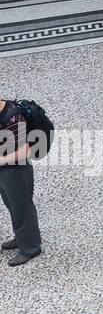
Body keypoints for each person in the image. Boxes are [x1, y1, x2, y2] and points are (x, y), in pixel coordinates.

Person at [0, 98, 44, 265]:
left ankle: (30, 248)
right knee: (11, 204)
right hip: (5, 167)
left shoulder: (13, 119)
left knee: (22, 207)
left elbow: (25, 151)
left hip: (15, 170)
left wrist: (1, 160)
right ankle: (21, 237)